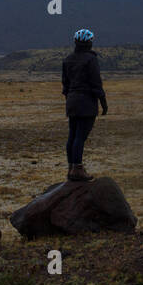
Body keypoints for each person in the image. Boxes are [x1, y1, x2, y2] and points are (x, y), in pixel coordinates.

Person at [61, 28, 107, 182]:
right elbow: (96, 82)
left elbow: (65, 84)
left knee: (72, 136)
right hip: (86, 102)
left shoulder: (68, 59)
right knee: (80, 136)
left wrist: (70, 98)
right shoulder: (90, 59)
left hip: (72, 101)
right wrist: (103, 102)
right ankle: (78, 169)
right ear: (89, 43)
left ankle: (71, 168)